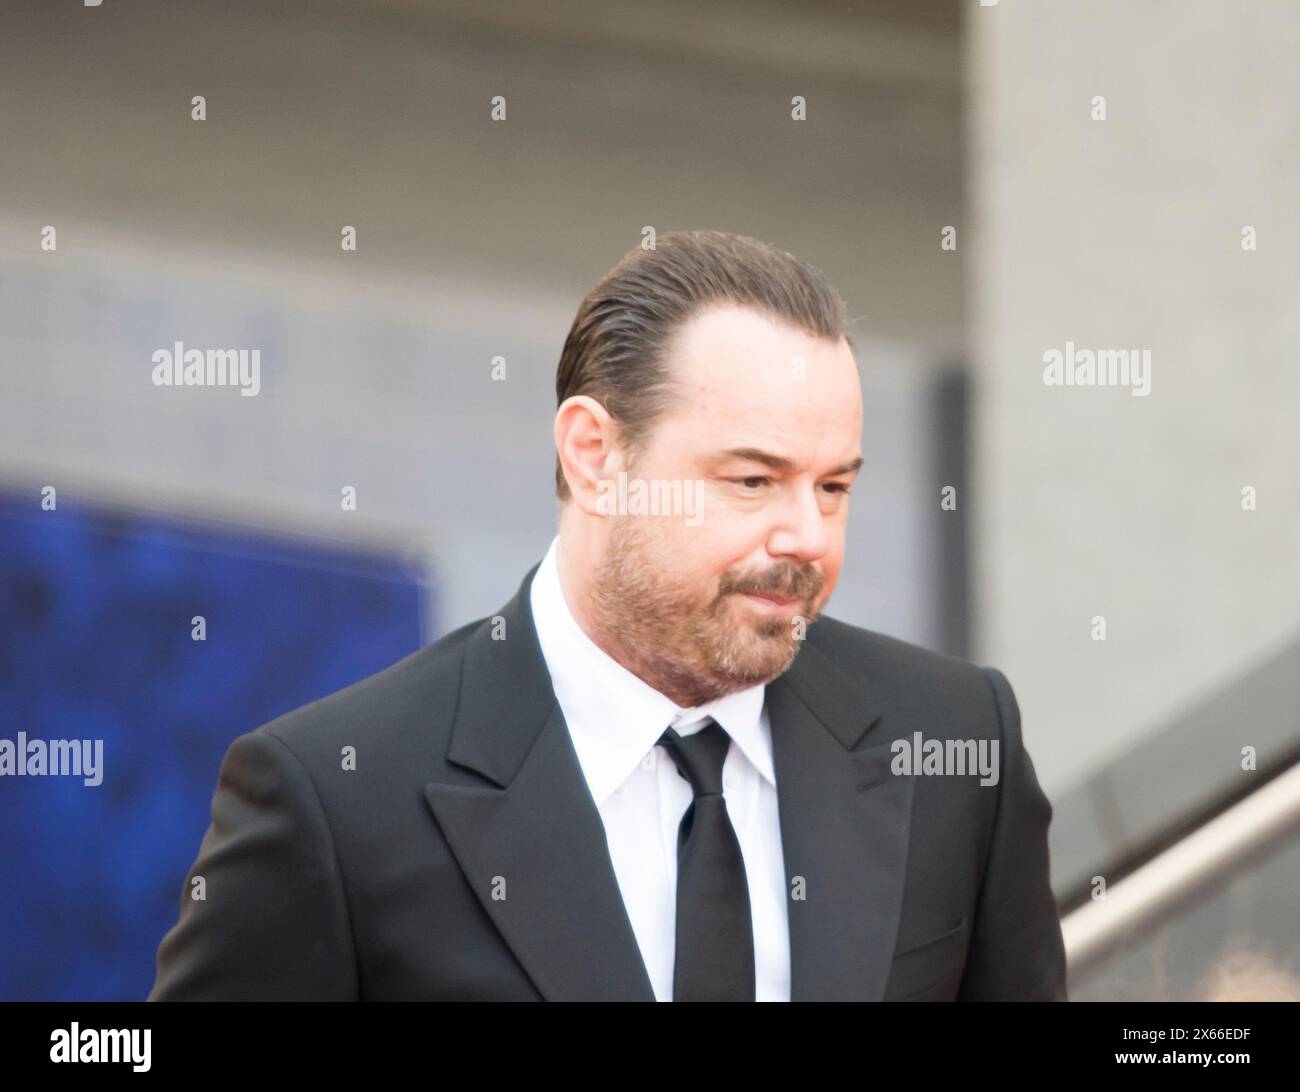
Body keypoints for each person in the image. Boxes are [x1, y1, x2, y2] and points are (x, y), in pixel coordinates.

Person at [149, 230, 1067, 1001]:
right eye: (752, 480)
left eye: (832, 488)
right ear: (595, 457)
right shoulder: (338, 801)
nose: (806, 538)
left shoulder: (954, 739)